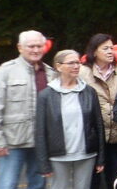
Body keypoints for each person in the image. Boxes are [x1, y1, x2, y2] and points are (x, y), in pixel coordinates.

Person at [0, 30, 57, 189]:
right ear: (20, 48)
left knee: (38, 184)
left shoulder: (50, 73)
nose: (36, 50)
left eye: (39, 46)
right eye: (31, 46)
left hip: (41, 142)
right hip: (12, 142)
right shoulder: (5, 71)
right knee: (7, 184)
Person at [36, 50, 105, 189]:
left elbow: (98, 125)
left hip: (86, 153)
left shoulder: (89, 92)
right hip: (58, 155)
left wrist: (101, 158)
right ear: (58, 66)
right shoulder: (45, 95)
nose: (76, 66)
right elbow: (40, 131)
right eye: (71, 63)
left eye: (78, 62)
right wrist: (43, 163)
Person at [80, 33, 117, 189]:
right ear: (94, 52)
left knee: (115, 179)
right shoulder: (82, 73)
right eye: (105, 48)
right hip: (93, 136)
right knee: (94, 181)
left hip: (115, 136)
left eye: (112, 48)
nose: (110, 51)